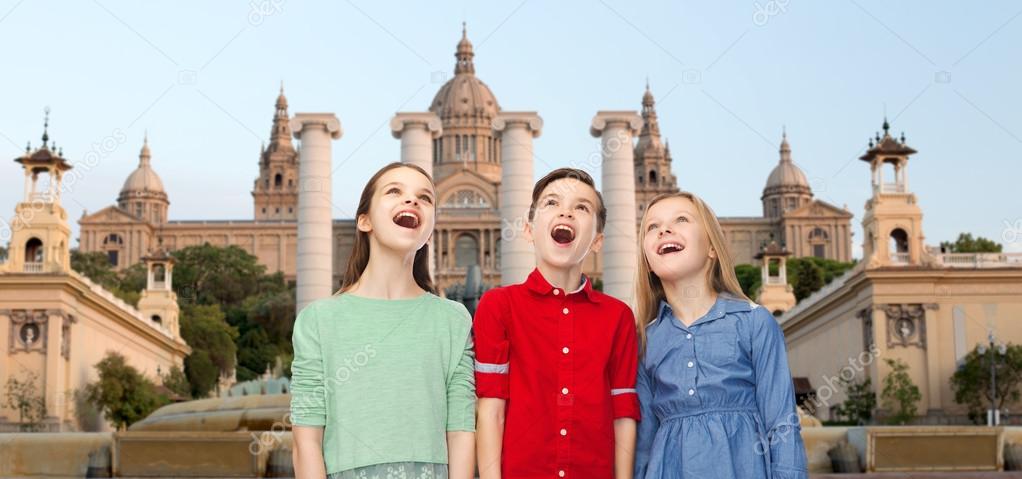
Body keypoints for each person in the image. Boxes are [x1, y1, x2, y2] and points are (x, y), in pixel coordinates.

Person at [290, 162, 476, 479]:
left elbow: (461, 431)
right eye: (394, 191)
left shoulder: (453, 319)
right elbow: (306, 441)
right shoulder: (318, 320)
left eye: (425, 198)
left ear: (431, 228)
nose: (412, 201)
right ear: (364, 221)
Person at [475, 168, 640, 478]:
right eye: (552, 203)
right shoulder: (498, 305)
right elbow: (491, 410)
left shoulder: (618, 316)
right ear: (528, 230)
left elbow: (623, 412)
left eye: (581, 207)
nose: (566, 210)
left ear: (597, 241)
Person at [633, 192, 808, 478]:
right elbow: (643, 443)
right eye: (652, 226)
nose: (664, 229)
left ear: (712, 248)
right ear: (648, 261)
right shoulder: (645, 340)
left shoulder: (754, 322)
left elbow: (782, 424)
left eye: (681, 219)